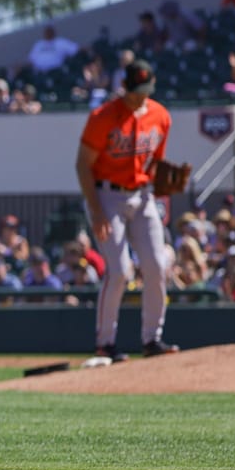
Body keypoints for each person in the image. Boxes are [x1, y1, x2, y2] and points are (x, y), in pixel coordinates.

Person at [75, 59, 181, 363]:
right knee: (120, 270)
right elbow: (82, 165)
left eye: (144, 90)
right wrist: (96, 211)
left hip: (142, 194)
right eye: (135, 91)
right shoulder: (103, 117)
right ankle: (105, 343)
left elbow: (155, 162)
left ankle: (152, 339)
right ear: (124, 87)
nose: (139, 97)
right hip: (107, 196)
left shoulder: (160, 116)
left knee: (156, 265)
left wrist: (163, 182)